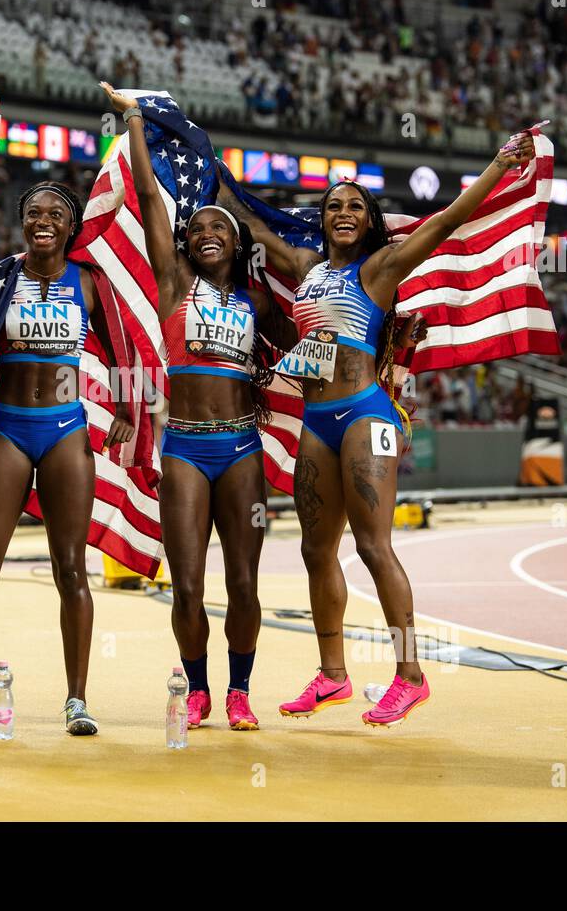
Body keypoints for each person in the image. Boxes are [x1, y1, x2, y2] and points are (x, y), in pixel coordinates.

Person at [224, 129, 536, 727]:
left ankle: (411, 676)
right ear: (322, 220)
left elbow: (443, 225)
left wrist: (496, 166)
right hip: (317, 420)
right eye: (334, 206)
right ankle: (333, 675)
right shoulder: (305, 265)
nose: (344, 213)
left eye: (355, 207)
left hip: (367, 414)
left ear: (369, 222)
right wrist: (197, 155)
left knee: (372, 546)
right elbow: (252, 225)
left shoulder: (380, 269)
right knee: (316, 550)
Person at [103, 83, 295, 730]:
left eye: (220, 227)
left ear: (238, 246)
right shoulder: (172, 285)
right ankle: (201, 687)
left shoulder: (257, 305)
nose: (206, 232)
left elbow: (307, 350)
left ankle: (240, 689)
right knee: (186, 585)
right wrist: (133, 120)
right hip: (183, 446)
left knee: (244, 583)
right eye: (199, 228)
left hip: (243, 449)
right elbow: (153, 200)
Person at [0, 181, 135, 739]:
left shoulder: (89, 283)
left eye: (56, 215)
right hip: (10, 427)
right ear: (22, 223)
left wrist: (126, 409)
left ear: (71, 227)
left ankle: (77, 700)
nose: (44, 221)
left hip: (66, 426)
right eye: (34, 213)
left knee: (72, 569)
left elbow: (123, 349)